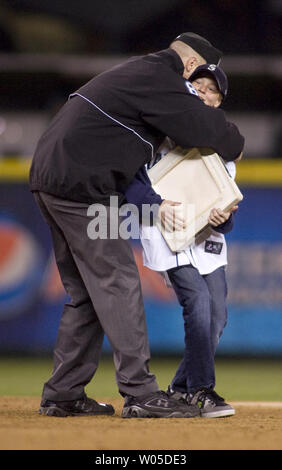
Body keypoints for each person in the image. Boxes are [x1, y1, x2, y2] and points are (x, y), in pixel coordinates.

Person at [29, 32, 244, 419]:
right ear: (192, 66)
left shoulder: (141, 72)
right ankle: (141, 391)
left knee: (86, 294)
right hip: (84, 189)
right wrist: (234, 139)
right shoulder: (161, 78)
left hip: (55, 179)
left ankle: (63, 393)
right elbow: (207, 132)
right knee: (119, 281)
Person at [125, 64, 242, 418]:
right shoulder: (156, 133)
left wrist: (225, 218)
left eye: (212, 91)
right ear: (185, 91)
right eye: (198, 86)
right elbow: (132, 184)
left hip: (204, 237)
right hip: (164, 230)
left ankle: (180, 388)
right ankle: (202, 390)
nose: (204, 93)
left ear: (218, 103)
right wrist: (155, 206)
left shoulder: (222, 150)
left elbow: (226, 210)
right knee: (199, 302)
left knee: (217, 316)